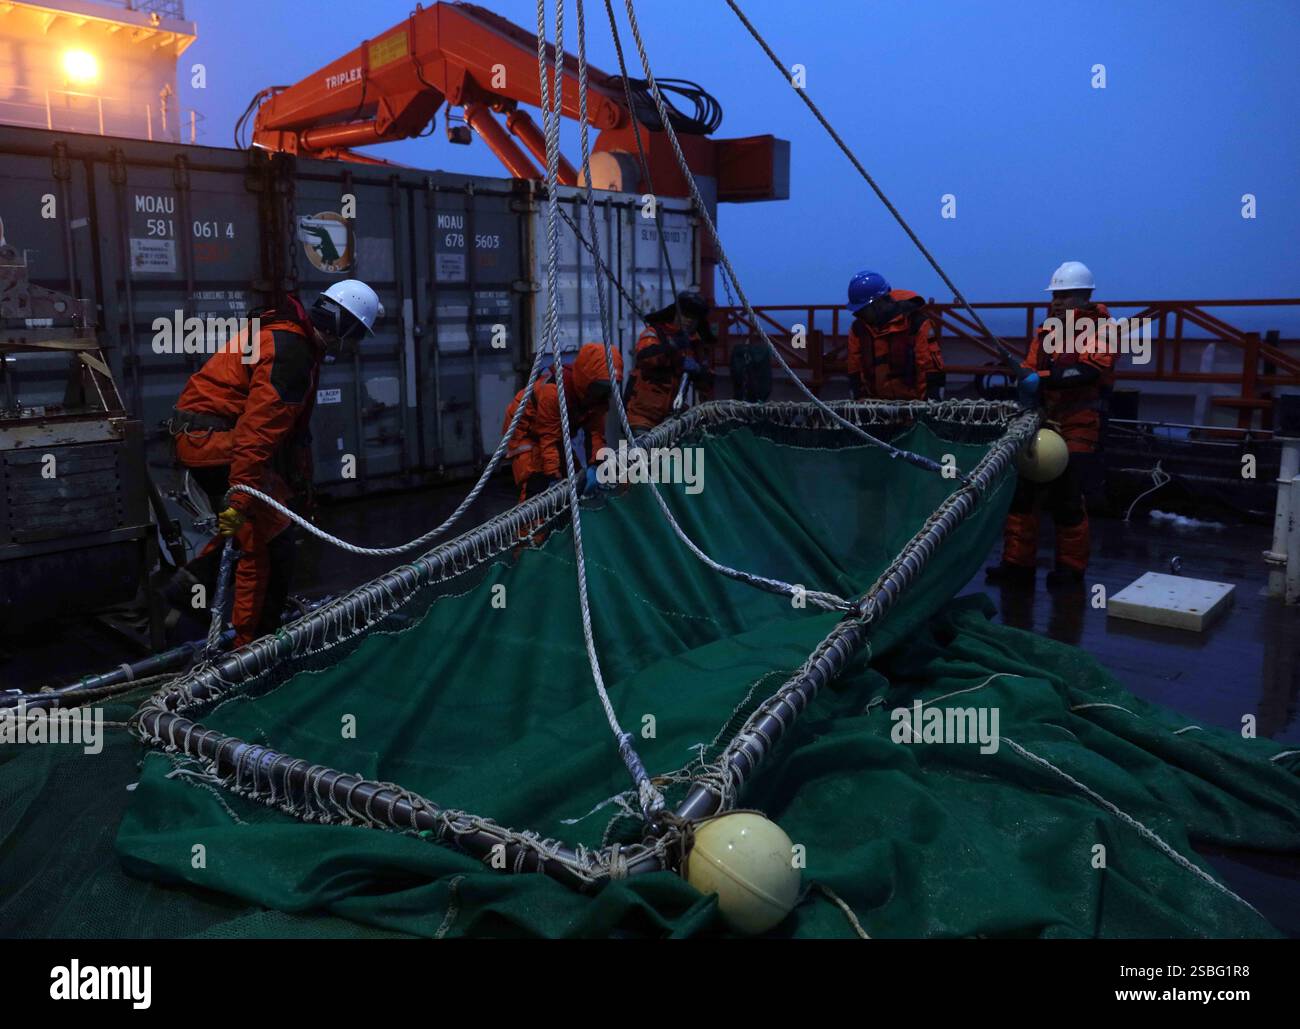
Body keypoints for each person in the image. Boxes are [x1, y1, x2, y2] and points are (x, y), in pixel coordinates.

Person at [168, 280, 383, 646]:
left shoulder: (288, 336)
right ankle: (253, 646)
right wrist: (240, 499)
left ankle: (192, 584)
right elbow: (256, 436)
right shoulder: (292, 353)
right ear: (344, 328)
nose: (354, 346)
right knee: (271, 542)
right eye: (358, 336)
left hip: (207, 439)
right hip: (215, 444)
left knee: (258, 523)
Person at [987, 261, 1116, 588]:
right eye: (1055, 295)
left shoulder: (1104, 329)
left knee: (1068, 498)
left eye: (1064, 295)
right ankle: (1017, 565)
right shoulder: (1046, 331)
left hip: (1080, 425)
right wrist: (1024, 380)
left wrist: (1039, 378)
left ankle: (1071, 570)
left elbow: (1088, 371)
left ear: (1085, 296)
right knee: (1023, 495)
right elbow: (1032, 367)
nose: (1057, 302)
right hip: (1044, 421)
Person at [503, 342, 624, 501]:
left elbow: (596, 435)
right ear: (586, 379)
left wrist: (597, 465)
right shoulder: (554, 392)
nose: (602, 392)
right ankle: (534, 510)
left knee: (575, 478)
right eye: (599, 387)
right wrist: (553, 478)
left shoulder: (597, 398)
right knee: (537, 486)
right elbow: (548, 439)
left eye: (607, 388)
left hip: (554, 431)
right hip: (525, 430)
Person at [844, 270, 944, 401]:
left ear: (879, 304)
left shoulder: (916, 323)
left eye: (863, 310)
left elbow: (928, 366)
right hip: (873, 405)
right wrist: (859, 399)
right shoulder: (859, 329)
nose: (861, 315)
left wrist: (930, 402)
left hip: (914, 403)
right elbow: (855, 367)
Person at [624, 291, 715, 431]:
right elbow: (645, 357)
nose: (689, 320)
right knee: (637, 443)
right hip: (641, 415)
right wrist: (673, 346)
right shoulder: (655, 333)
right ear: (675, 313)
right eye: (685, 314)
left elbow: (707, 385)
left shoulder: (695, 345)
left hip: (671, 416)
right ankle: (628, 440)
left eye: (694, 317)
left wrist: (698, 371)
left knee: (696, 438)